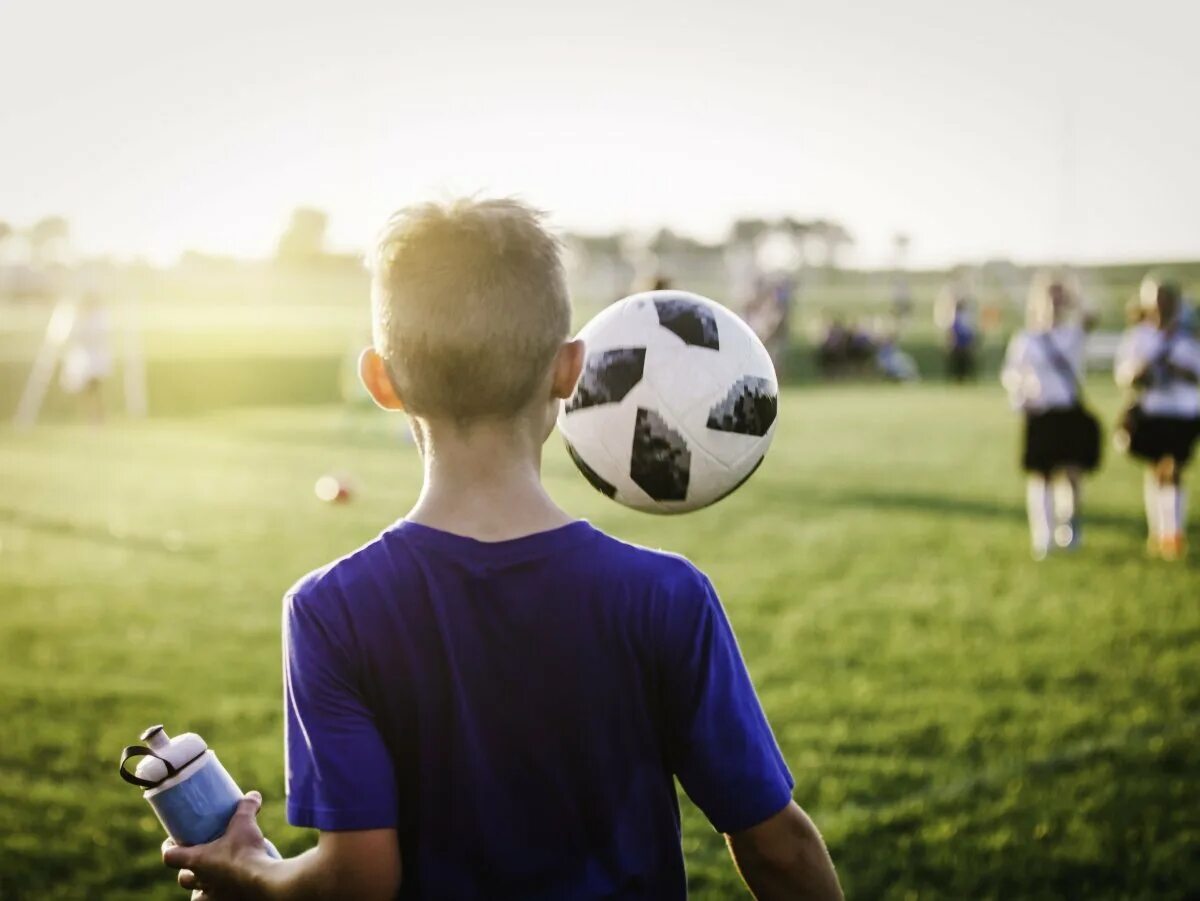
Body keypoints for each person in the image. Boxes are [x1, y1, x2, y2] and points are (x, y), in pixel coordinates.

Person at [161, 198, 843, 900]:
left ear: (380, 382)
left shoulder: (330, 610)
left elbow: (357, 878)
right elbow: (780, 848)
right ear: (570, 370)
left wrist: (252, 870)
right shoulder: (666, 594)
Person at [1001, 274, 1100, 559]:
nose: (1055, 303)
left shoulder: (1073, 333)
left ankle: (1069, 529)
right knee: (1041, 475)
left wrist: (1075, 298)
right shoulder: (1027, 339)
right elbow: (1012, 374)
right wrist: (1021, 400)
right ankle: (1043, 535)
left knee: (1071, 474)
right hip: (1041, 412)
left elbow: (1092, 317)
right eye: (1050, 296)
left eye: (1059, 297)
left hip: (1068, 410)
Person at [1114, 276, 1200, 560]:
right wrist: (1140, 372)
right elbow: (1124, 375)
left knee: (1172, 468)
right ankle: (1160, 530)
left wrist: (1180, 371)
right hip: (1152, 410)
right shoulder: (1138, 336)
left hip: (1183, 411)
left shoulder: (1189, 336)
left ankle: (1172, 533)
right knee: (1156, 471)